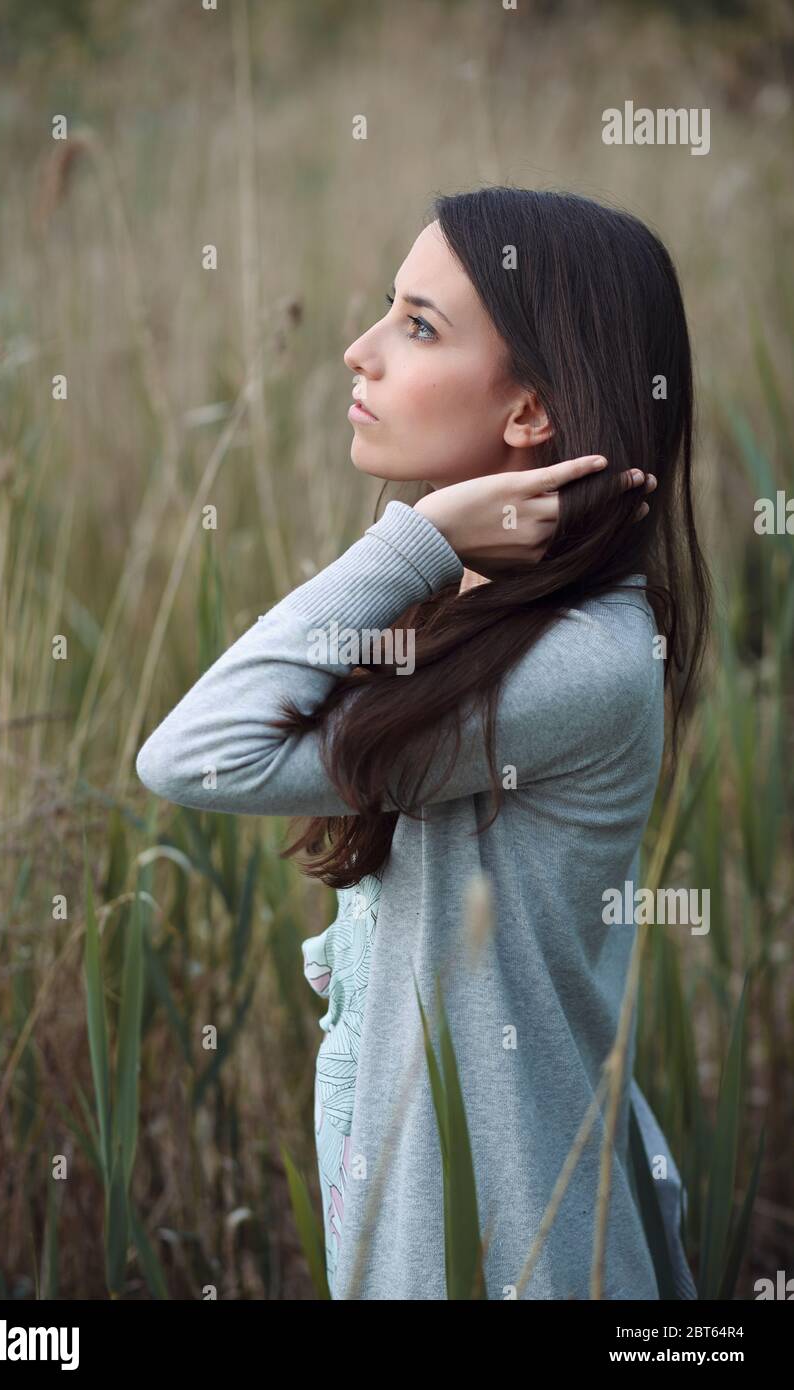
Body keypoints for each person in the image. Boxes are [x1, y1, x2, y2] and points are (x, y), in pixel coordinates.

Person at [136, 186, 710, 1300]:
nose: (356, 352)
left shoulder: (578, 664)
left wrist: (413, 538)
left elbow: (194, 752)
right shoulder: (480, 620)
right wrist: (430, 554)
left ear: (530, 409)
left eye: (416, 325)